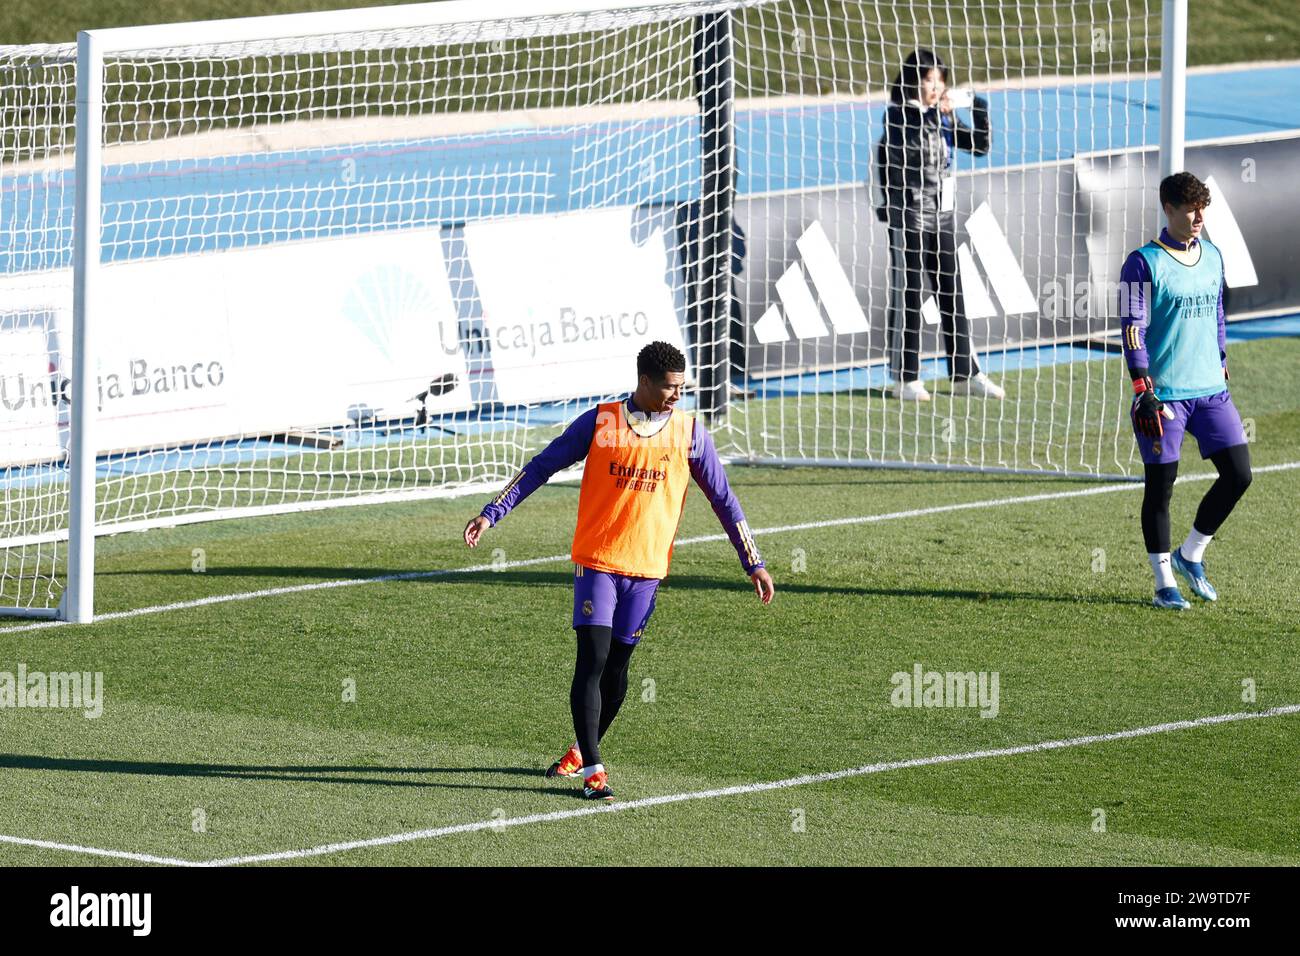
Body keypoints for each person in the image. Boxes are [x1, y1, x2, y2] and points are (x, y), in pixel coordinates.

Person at [463, 341, 775, 800]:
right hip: (597, 563)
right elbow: (542, 465)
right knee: (591, 659)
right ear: (644, 381)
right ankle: (594, 770)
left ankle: (580, 749)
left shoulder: (689, 433)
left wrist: (754, 561)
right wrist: (493, 511)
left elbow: (723, 499)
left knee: (617, 670)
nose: (677, 396)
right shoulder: (601, 422)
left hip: (646, 571)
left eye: (682, 388)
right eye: (670, 388)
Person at [1119, 171, 1251, 610]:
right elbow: (1131, 327)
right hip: (1164, 395)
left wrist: (1222, 357)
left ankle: (1191, 553)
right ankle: (1163, 583)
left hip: (1211, 389)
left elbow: (1215, 309)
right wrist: (1142, 386)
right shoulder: (1141, 263)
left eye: (1203, 208)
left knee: (1238, 474)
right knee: (1161, 487)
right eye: (1190, 208)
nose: (1199, 216)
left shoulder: (1212, 255)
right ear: (1168, 209)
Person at [874, 48, 1004, 401]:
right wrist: (939, 113)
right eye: (928, 79)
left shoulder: (941, 118)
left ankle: (965, 374)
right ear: (912, 82)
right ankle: (906, 377)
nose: (935, 86)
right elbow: (910, 136)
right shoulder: (899, 117)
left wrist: (975, 106)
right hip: (909, 218)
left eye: (940, 80)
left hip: (943, 216)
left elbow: (980, 145)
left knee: (953, 295)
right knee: (909, 297)